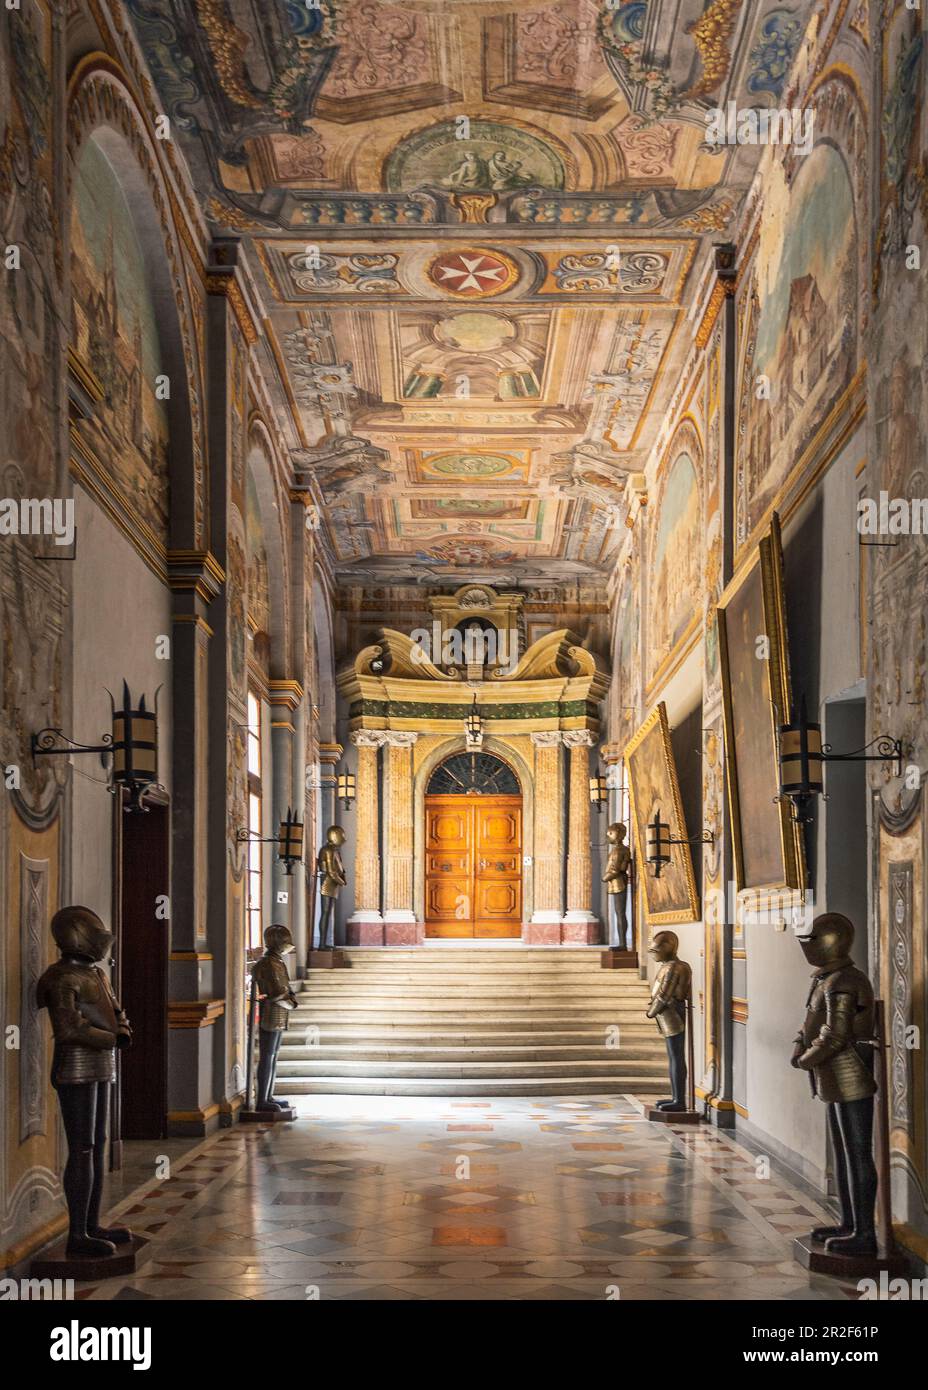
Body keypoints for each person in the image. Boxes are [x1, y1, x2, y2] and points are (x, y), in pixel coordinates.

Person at [36, 906, 133, 1258]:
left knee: (99, 1142)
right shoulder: (62, 977)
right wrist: (112, 1040)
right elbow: (68, 1028)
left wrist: (121, 1027)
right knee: (82, 1148)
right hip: (75, 1065)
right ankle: (77, 1232)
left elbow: (113, 1009)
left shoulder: (95, 974)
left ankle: (92, 1224)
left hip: (101, 1063)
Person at [791, 912, 878, 1257]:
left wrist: (805, 1058)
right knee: (842, 1150)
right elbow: (811, 1022)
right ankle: (849, 1222)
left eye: (813, 939)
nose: (808, 947)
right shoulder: (827, 978)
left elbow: (836, 1035)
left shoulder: (845, 981)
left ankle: (865, 1232)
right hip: (832, 1073)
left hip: (850, 1072)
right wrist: (801, 1043)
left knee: (858, 1151)